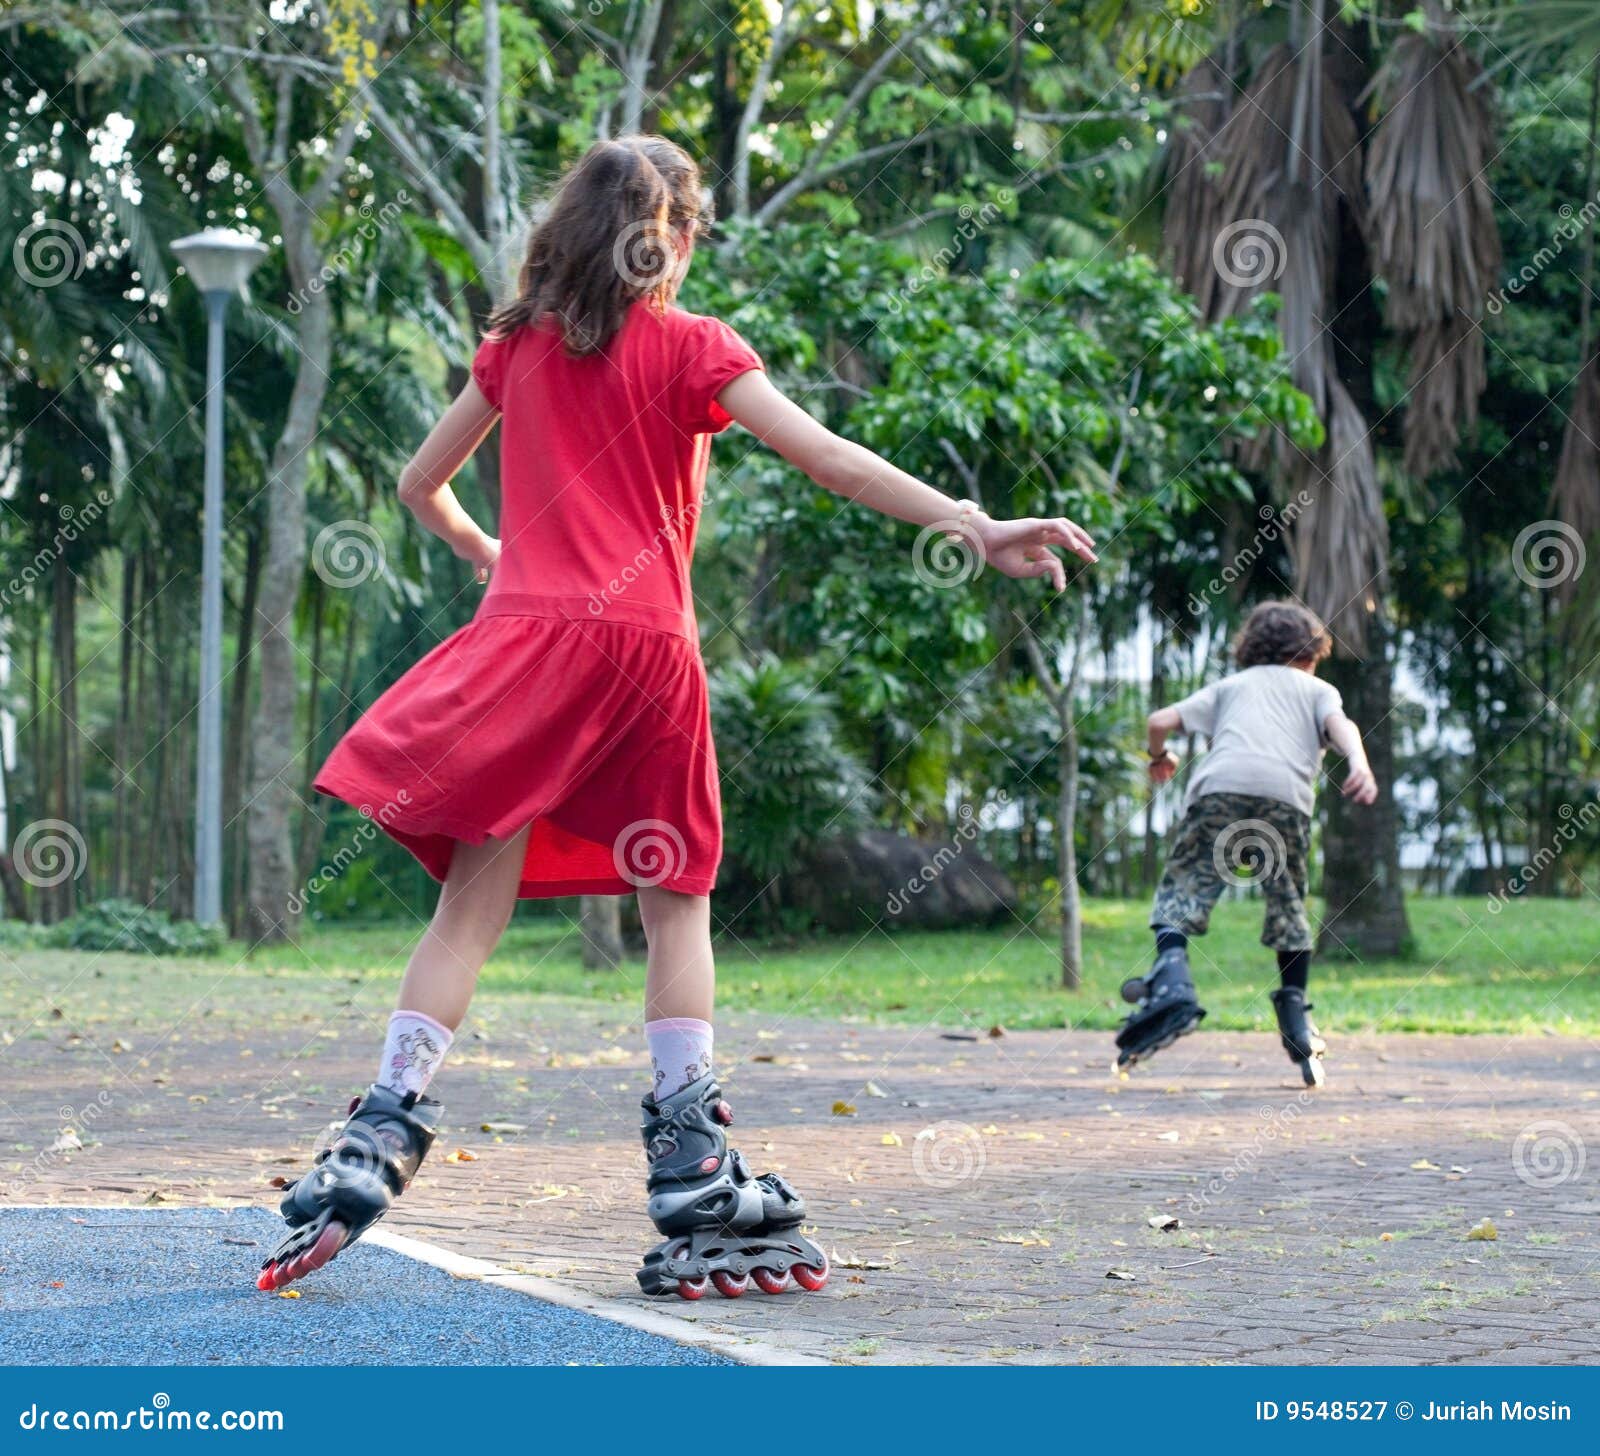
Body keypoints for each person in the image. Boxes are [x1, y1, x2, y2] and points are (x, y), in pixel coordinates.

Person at [257, 135, 1097, 1299]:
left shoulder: (517, 349)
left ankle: (380, 1128)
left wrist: (494, 554)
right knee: (675, 901)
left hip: (524, 641)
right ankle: (691, 1156)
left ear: (565, 233)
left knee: (468, 907)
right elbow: (832, 461)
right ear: (680, 237)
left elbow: (417, 484)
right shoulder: (695, 346)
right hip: (648, 650)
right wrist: (974, 522)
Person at [1118, 600, 1377, 1086]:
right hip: (1285, 803)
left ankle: (1172, 978)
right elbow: (1343, 727)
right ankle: (1296, 1018)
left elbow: (1158, 721)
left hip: (1219, 792)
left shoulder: (1230, 686)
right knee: (1288, 905)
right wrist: (1359, 765)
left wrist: (1160, 757)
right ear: (1311, 651)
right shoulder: (1318, 688)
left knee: (1184, 889)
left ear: (1253, 647)